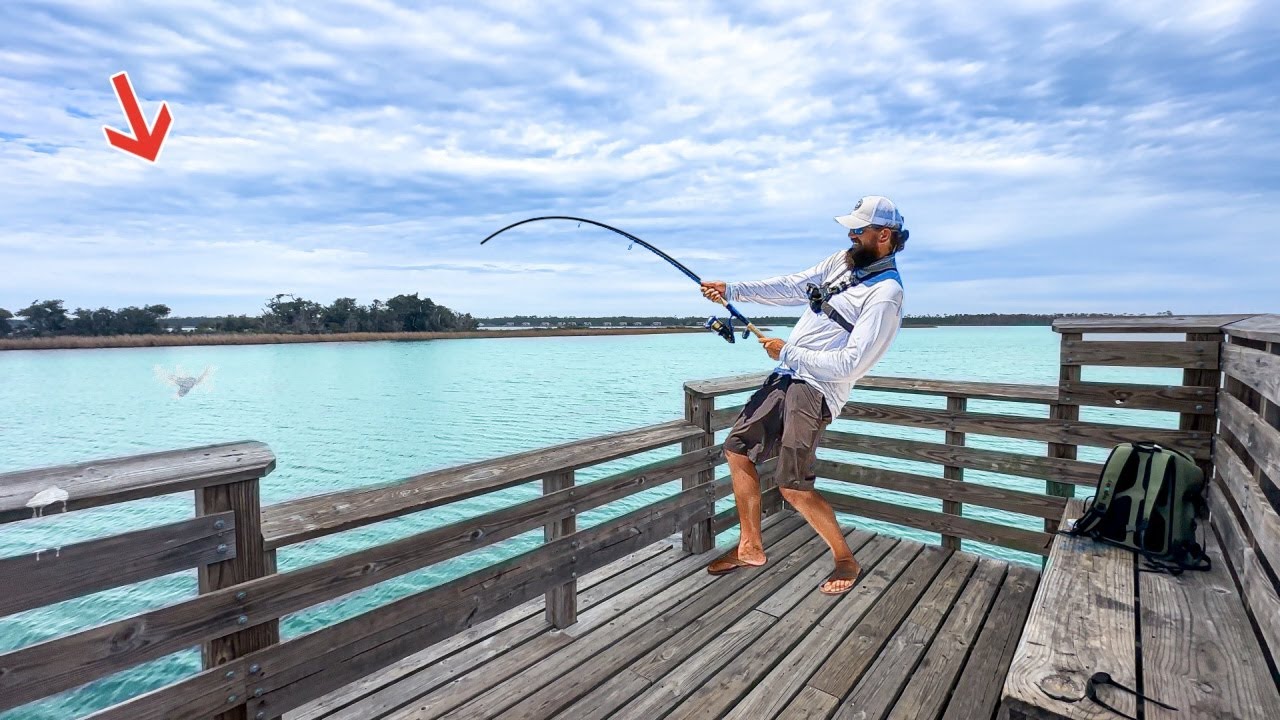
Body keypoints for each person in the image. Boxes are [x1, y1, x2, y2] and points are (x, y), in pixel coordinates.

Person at [699, 195, 908, 595]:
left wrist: (789, 351)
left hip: (817, 388)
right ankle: (750, 548)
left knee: (793, 485)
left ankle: (845, 558)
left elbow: (852, 363)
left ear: (884, 235)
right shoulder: (842, 261)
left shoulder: (886, 295)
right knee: (737, 448)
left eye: (858, 230)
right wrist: (734, 290)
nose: (850, 235)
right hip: (786, 374)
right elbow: (794, 285)